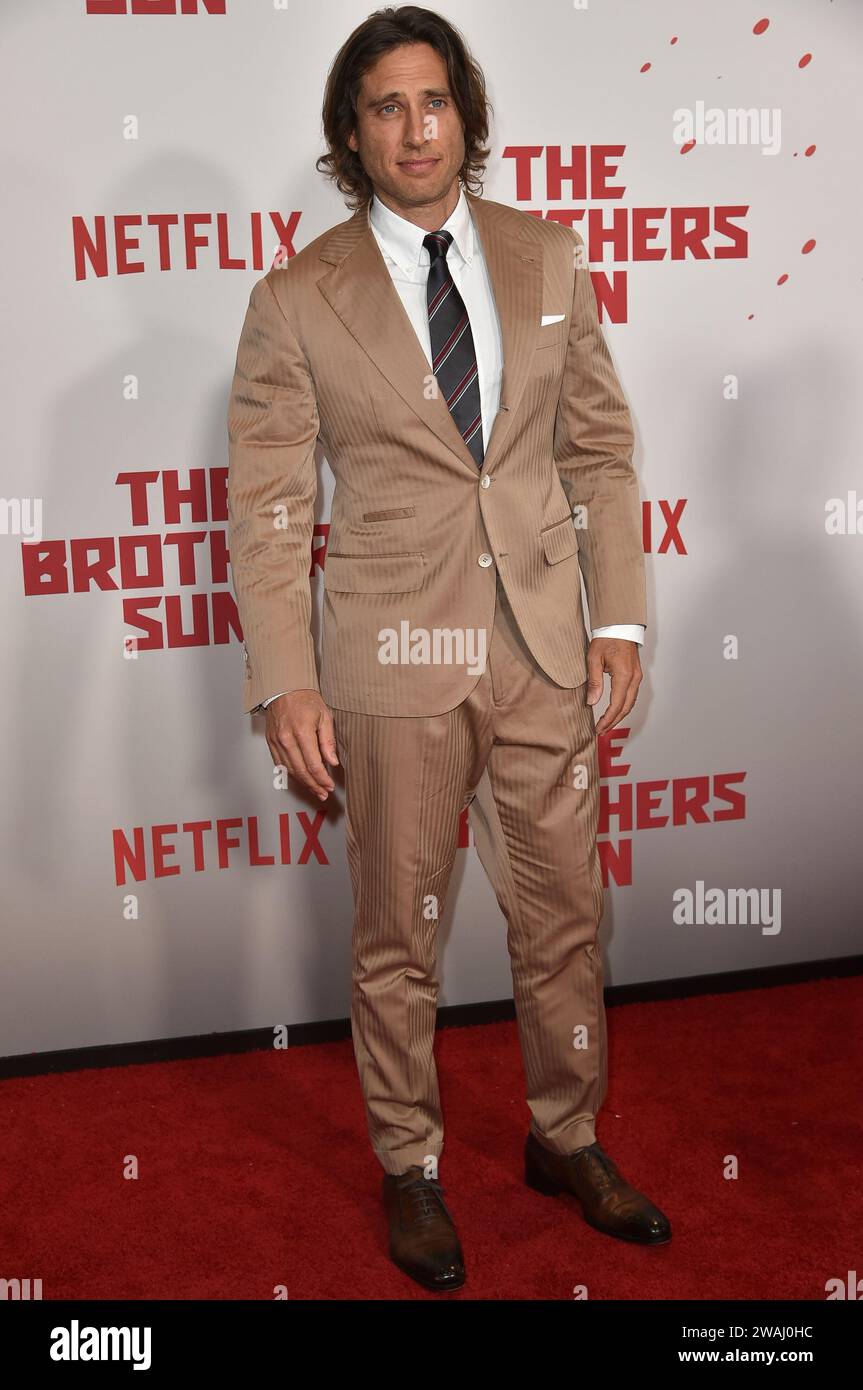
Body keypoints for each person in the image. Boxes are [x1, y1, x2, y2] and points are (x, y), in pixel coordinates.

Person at [227, 4, 670, 1294]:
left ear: (466, 116)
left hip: (543, 648)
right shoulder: (295, 297)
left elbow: (596, 449)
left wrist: (622, 615)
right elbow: (268, 509)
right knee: (395, 939)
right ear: (350, 133)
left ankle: (565, 1133)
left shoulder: (547, 260)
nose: (413, 129)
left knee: (566, 917)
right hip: (386, 661)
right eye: (383, 107)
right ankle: (409, 1164)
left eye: (433, 102)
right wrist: (285, 677)